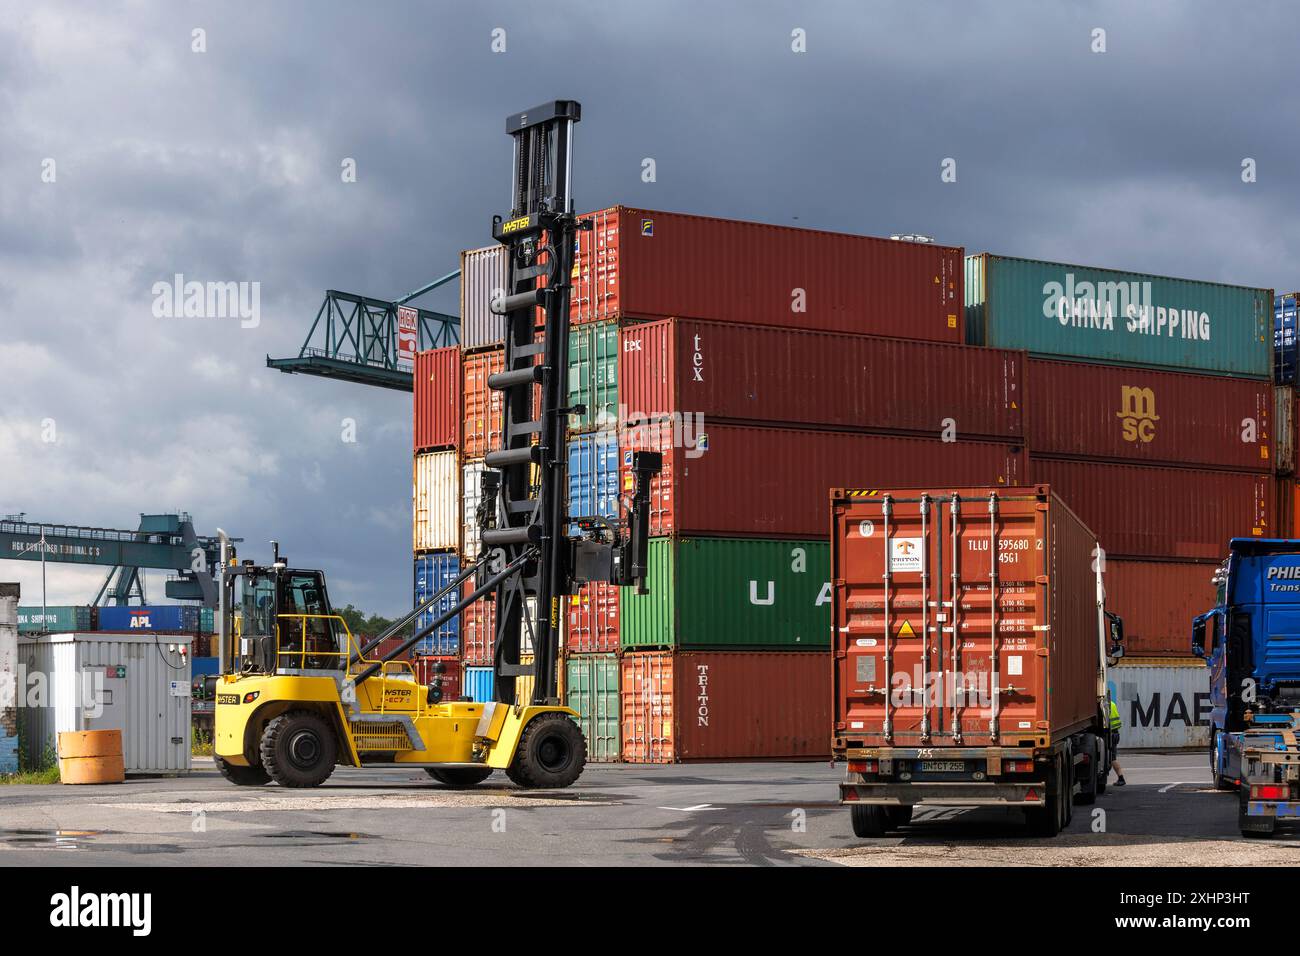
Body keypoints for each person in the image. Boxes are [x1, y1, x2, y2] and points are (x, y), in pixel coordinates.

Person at [1109, 698, 1126, 786]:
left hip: (1110, 734)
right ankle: (1120, 778)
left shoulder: (1105, 705)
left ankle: (1121, 778)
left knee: (1112, 759)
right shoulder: (1112, 703)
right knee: (1112, 757)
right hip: (1115, 733)